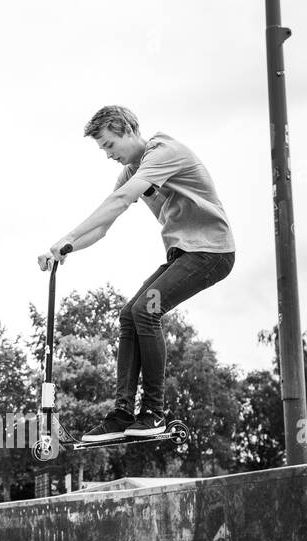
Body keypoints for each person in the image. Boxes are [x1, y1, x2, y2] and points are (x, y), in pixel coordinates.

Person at [39, 105, 236, 442]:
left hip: (211, 251)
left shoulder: (163, 152)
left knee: (147, 310)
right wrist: (63, 249)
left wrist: (68, 236)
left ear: (126, 130)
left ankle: (154, 413)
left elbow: (120, 200)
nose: (107, 155)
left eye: (108, 145)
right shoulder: (132, 170)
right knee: (130, 314)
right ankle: (122, 413)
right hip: (184, 254)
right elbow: (102, 228)